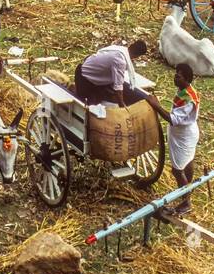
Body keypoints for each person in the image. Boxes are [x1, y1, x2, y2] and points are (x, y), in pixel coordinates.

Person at [73, 40, 170, 121]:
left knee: (109, 97)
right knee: (94, 110)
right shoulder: (120, 60)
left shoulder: (119, 49)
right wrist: (123, 108)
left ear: (131, 45)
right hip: (85, 80)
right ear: (137, 56)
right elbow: (118, 88)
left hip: (88, 71)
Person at [166, 63, 200, 213]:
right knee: (187, 162)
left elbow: (174, 119)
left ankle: (186, 202)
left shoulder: (188, 99)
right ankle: (187, 188)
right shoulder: (184, 90)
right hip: (184, 134)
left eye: (178, 76)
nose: (175, 77)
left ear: (186, 79)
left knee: (177, 170)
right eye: (175, 74)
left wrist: (155, 105)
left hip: (183, 136)